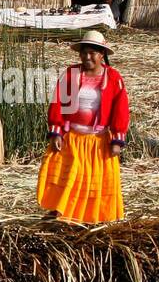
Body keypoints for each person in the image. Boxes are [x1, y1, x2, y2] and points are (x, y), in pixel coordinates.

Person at [37, 30, 128, 224]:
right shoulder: (71, 74)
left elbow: (120, 109)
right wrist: (56, 133)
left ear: (101, 55)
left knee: (94, 181)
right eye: (84, 53)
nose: (87, 57)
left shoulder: (113, 78)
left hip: (98, 142)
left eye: (92, 53)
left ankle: (93, 218)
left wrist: (117, 139)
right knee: (69, 178)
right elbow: (58, 103)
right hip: (72, 139)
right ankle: (60, 213)